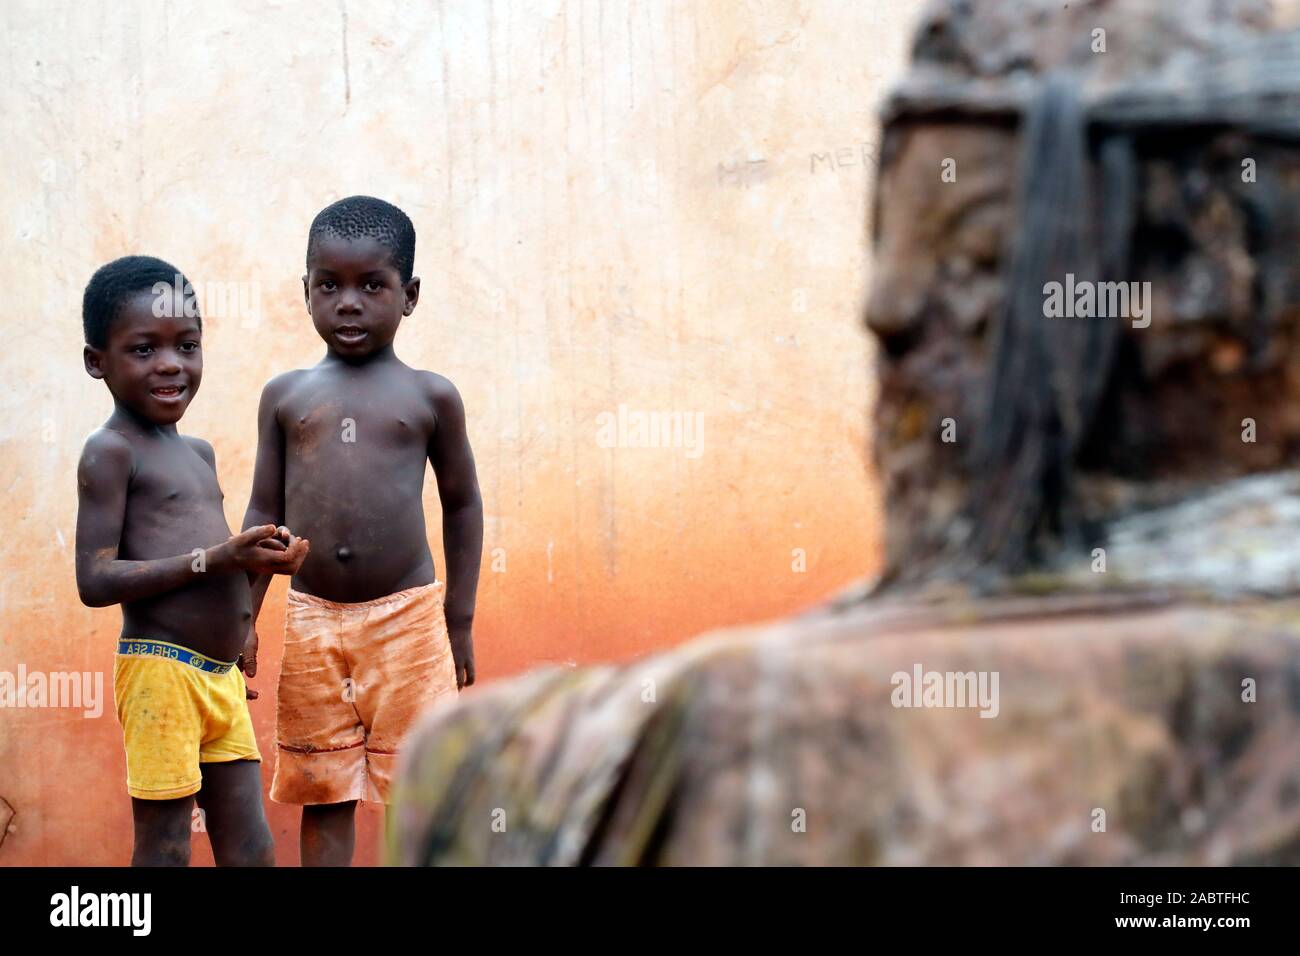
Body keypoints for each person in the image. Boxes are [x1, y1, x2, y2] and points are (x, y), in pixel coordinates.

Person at [243, 196, 483, 865]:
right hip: (313, 619)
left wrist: (456, 620)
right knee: (324, 788)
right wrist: (244, 617)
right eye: (329, 285)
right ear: (306, 292)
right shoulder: (285, 397)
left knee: (420, 788)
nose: (347, 303)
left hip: (408, 619)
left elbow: (463, 505)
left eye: (371, 285)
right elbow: (263, 511)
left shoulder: (431, 397)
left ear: (409, 296)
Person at [75, 255, 308, 866]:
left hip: (219, 677)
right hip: (160, 675)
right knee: (166, 846)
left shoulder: (199, 454)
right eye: (144, 349)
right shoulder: (111, 452)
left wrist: (260, 568)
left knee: (252, 849)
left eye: (187, 345)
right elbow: (95, 580)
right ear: (97, 362)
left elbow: (221, 563)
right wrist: (215, 559)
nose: (172, 364)